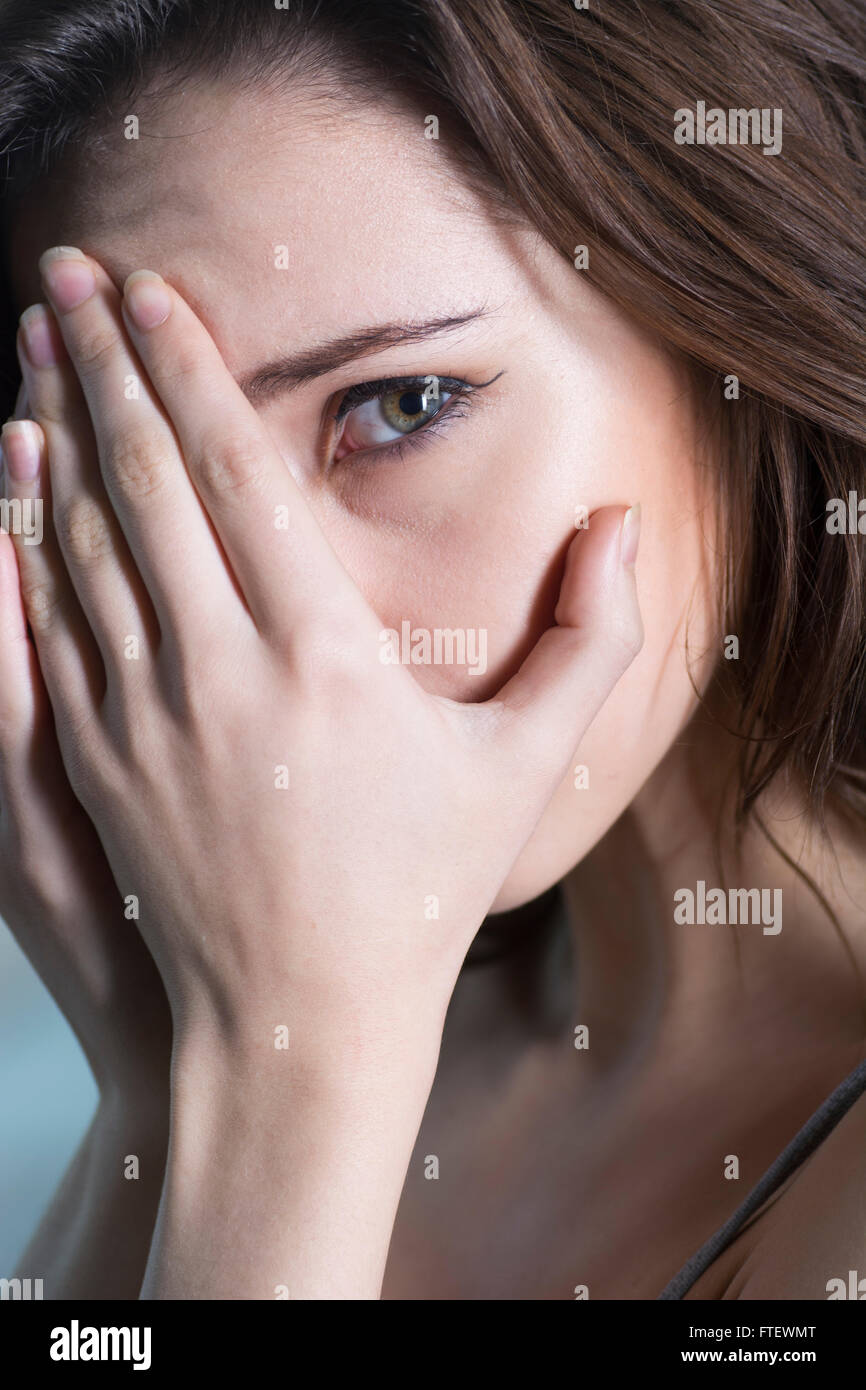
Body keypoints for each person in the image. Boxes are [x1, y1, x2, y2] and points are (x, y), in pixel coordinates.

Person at [0, 0, 864, 1300]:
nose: (295, 628)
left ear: (722, 325)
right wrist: (169, 1072)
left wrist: (280, 1057)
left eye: (402, 406)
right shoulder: (261, 1044)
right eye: (159, 486)